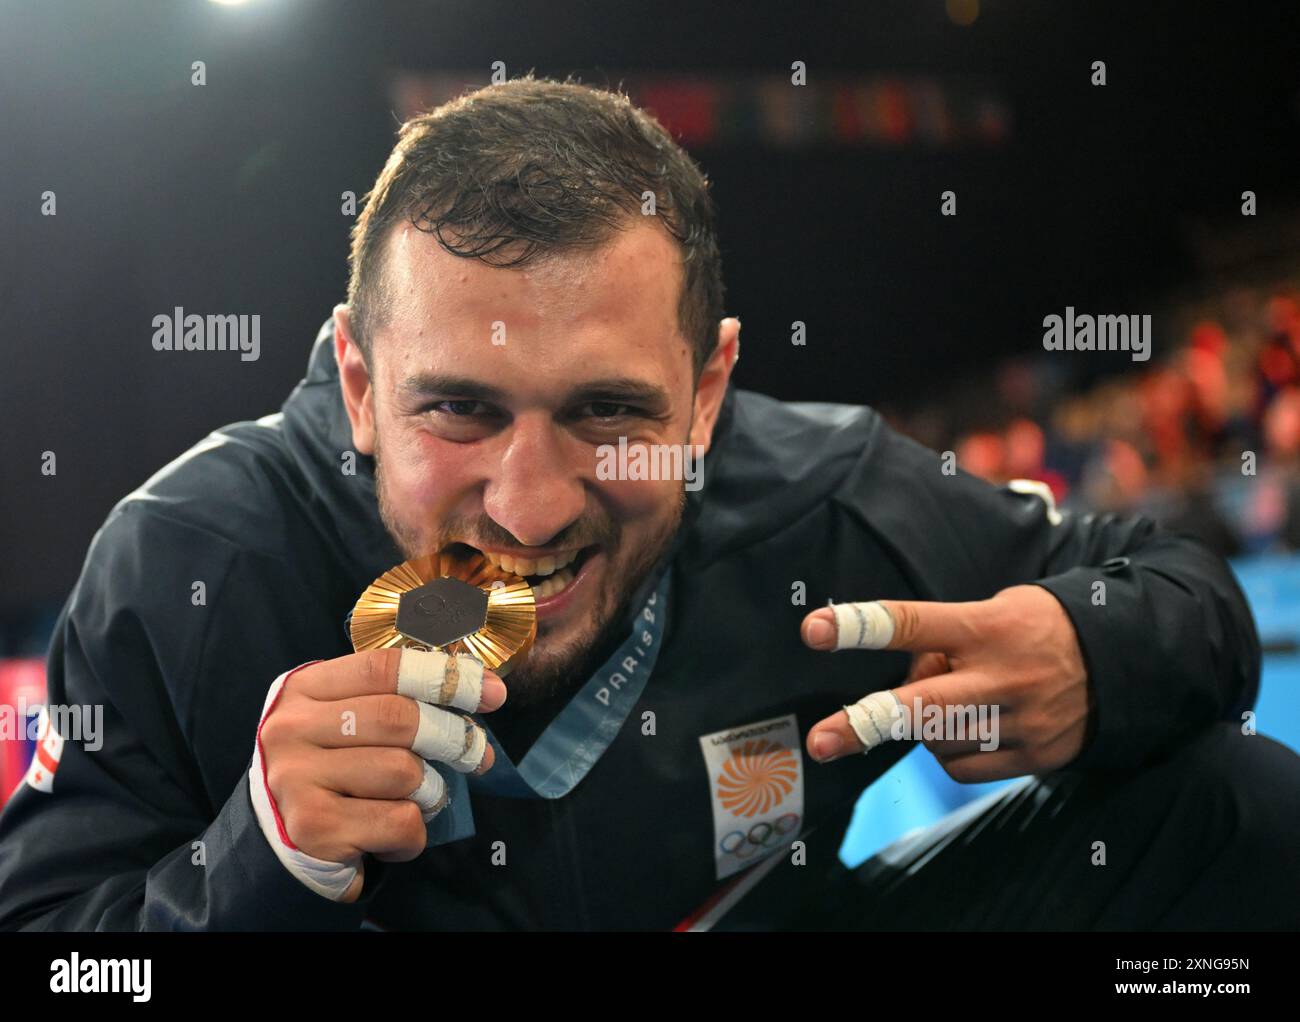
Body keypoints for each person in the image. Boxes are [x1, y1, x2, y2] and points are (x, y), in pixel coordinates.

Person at [0, 76, 1295, 931]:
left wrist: (1097, 649)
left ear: (708, 387)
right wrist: (253, 867)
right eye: (460, 409)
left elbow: (1178, 588)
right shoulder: (189, 561)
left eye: (609, 414)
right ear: (354, 379)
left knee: (1234, 803)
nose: (526, 502)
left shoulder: (838, 501)